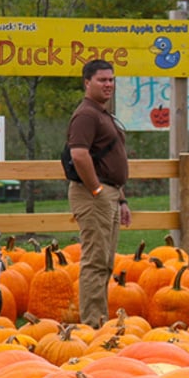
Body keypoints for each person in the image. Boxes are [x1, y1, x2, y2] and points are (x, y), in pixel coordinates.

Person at [65, 59, 130, 327]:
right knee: (95, 260)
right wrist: (97, 189)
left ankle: (100, 320)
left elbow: (107, 159)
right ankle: (92, 324)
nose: (108, 84)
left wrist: (121, 198)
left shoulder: (101, 113)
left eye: (111, 80)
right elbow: (79, 154)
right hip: (93, 195)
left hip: (110, 194)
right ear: (87, 82)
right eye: (102, 80)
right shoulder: (86, 115)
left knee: (105, 260)